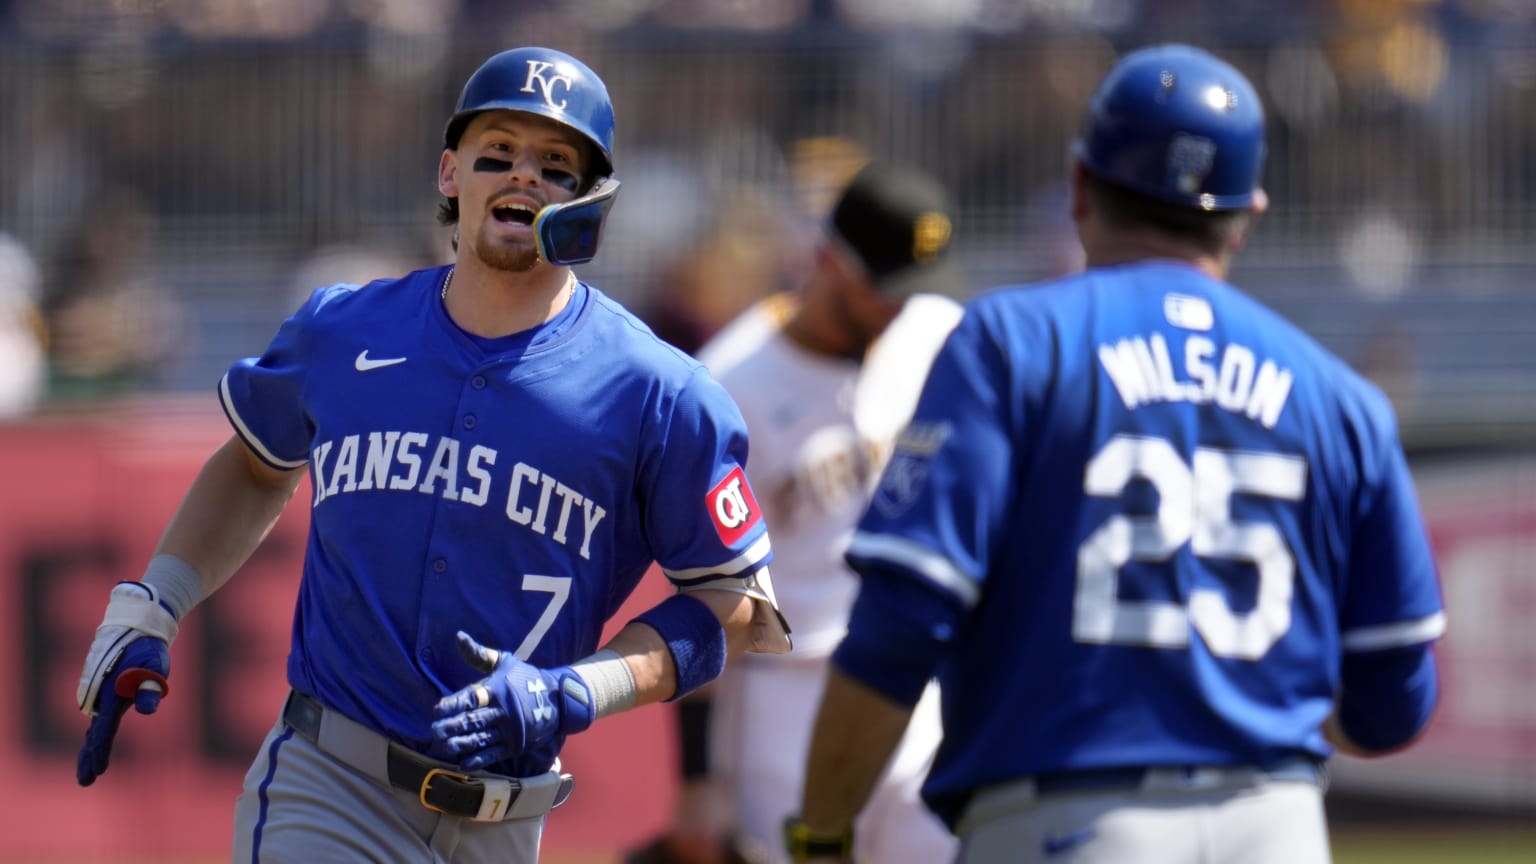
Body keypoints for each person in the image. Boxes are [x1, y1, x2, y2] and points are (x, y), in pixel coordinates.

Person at [73, 46, 790, 863]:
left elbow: (733, 607)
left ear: (593, 202)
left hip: (509, 818)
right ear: (451, 174)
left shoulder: (660, 391)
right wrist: (155, 600)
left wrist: (580, 690)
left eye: (557, 165)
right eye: (497, 155)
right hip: (330, 785)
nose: (523, 178)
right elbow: (253, 463)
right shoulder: (343, 331)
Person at [786, 44, 1447, 864]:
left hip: (1068, 815)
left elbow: (902, 623)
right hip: (1276, 824)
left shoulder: (1010, 343)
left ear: (1079, 185)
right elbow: (1395, 702)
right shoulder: (1341, 399)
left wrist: (820, 832)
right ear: (1250, 213)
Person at [632, 161, 968, 864]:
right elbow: (705, 591)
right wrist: (698, 780)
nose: (900, 307)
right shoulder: (731, 385)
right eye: (885, 290)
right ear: (828, 263)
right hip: (786, 705)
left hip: (916, 688)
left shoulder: (935, 332)